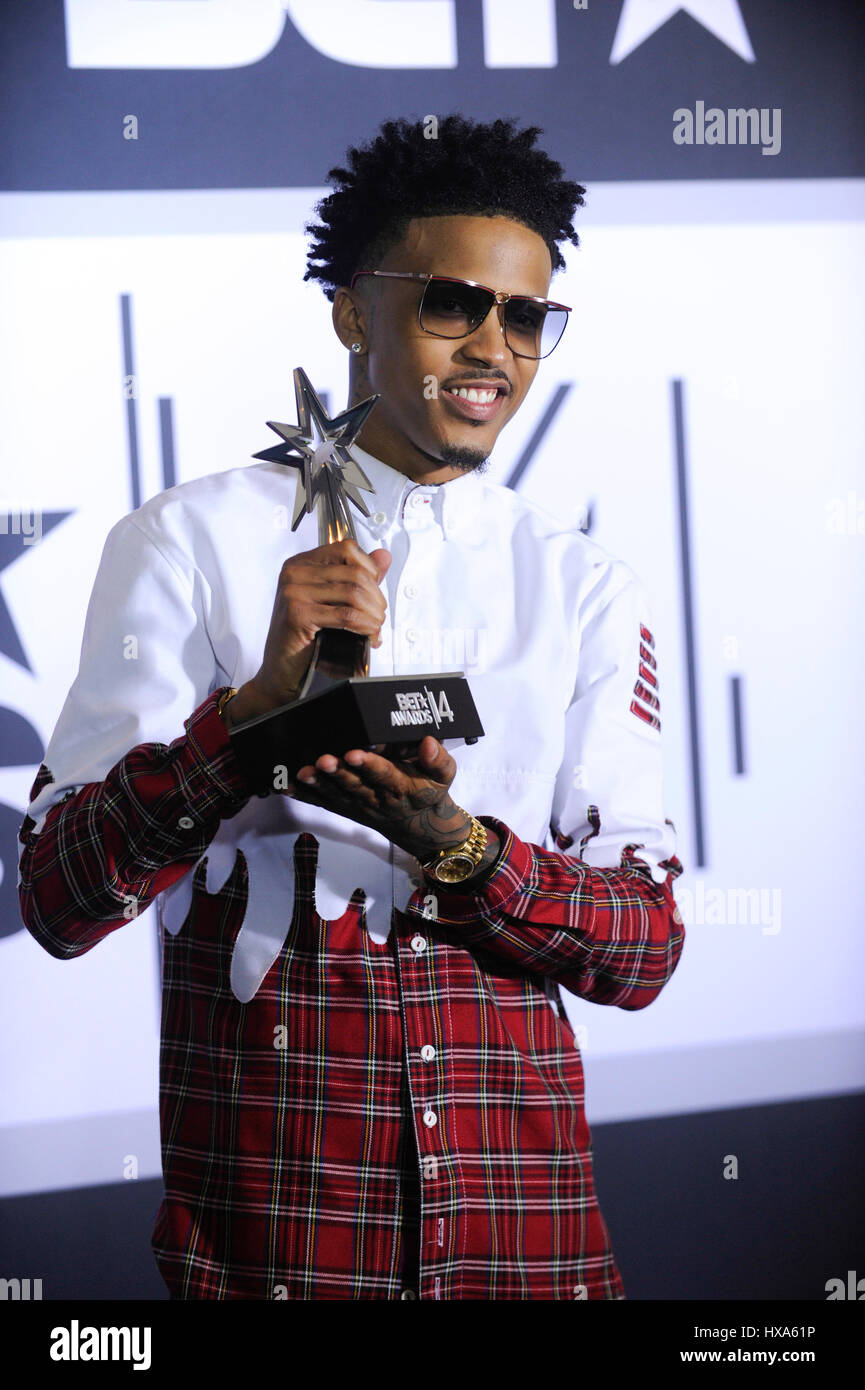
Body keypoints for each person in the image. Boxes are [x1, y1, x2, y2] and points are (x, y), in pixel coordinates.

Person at [17, 113, 684, 1301]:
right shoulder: (188, 541)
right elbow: (60, 898)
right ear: (349, 312)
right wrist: (252, 716)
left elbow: (644, 948)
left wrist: (459, 848)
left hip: (526, 1254)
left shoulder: (582, 586)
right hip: (276, 1251)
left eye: (524, 316)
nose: (492, 346)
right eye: (450, 302)